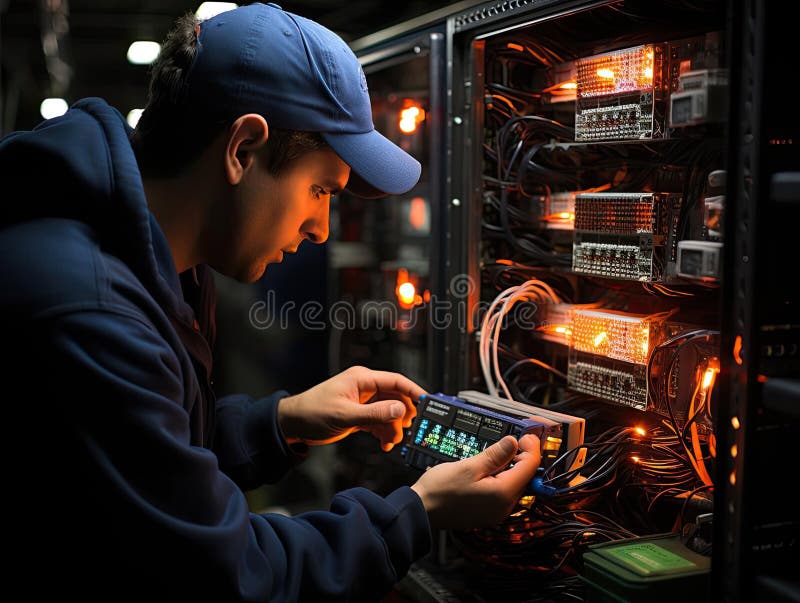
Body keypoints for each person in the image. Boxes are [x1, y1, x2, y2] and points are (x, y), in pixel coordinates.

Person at [0, 2, 541, 601]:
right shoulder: (88, 309)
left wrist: (283, 423)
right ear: (242, 149)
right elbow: (223, 576)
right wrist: (418, 511)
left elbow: (152, 462)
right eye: (318, 190)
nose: (322, 229)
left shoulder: (148, 261)